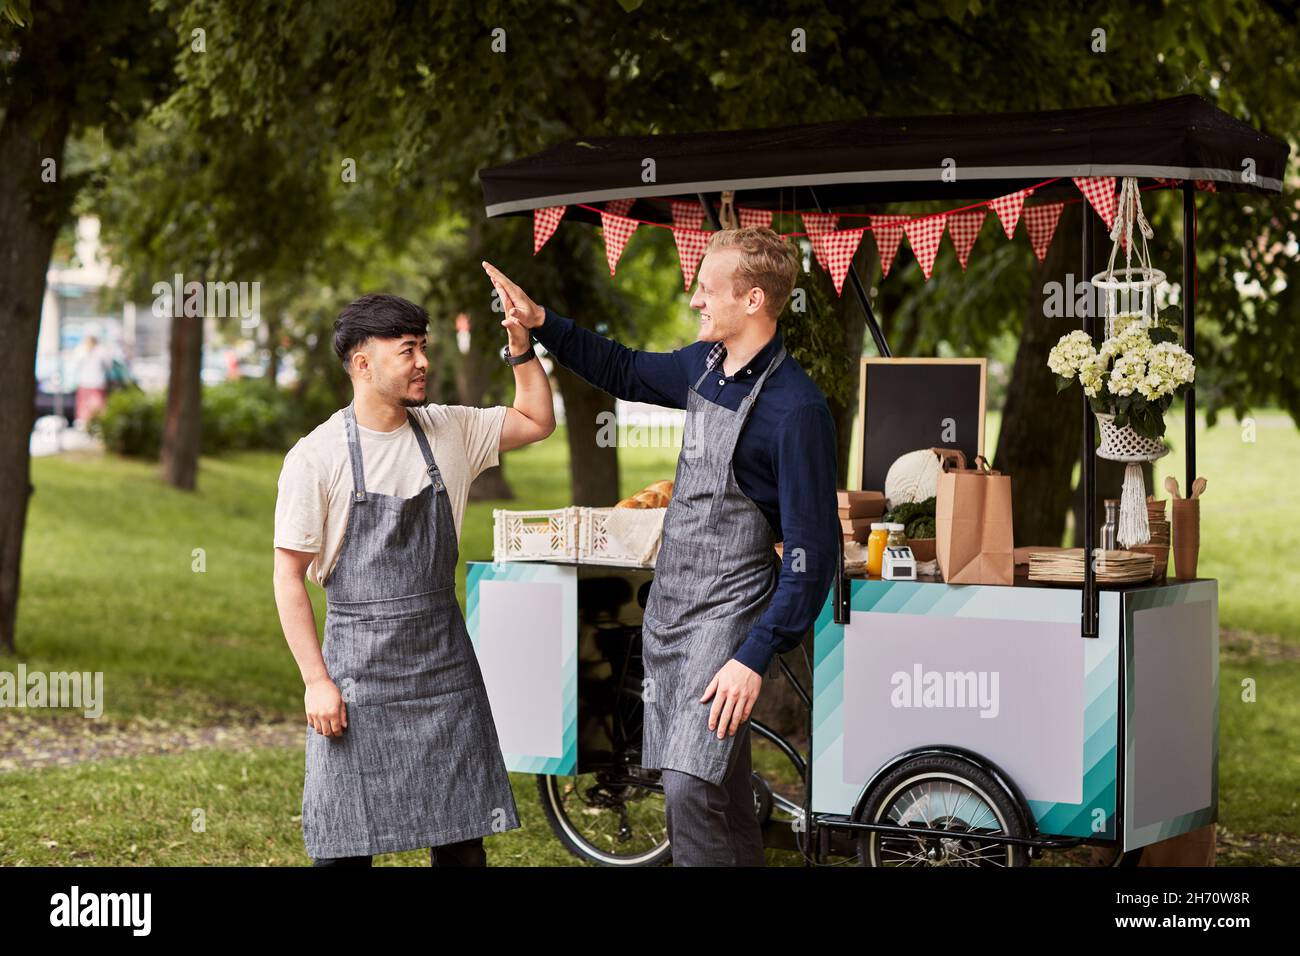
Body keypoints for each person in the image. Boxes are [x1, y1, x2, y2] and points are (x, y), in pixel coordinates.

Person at [482, 226, 840, 866]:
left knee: (689, 786)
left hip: (728, 623)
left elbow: (815, 557)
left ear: (753, 300)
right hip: (670, 610)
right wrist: (540, 323)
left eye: (708, 289)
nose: (696, 299)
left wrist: (753, 655)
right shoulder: (706, 366)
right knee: (719, 790)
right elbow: (622, 368)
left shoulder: (796, 410)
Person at [272, 292, 555, 866]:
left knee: (462, 841)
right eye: (408, 350)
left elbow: (536, 420)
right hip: (358, 679)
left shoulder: (449, 430)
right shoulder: (316, 457)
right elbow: (287, 577)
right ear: (362, 363)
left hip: (444, 670)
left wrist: (521, 350)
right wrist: (315, 681)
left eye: (423, 347)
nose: (423, 361)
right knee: (344, 846)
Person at [73, 334, 110, 428]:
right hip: (85, 383)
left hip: (97, 383)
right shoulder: (81, 350)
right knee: (85, 407)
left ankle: (97, 424)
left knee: (97, 406)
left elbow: (107, 365)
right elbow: (76, 364)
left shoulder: (101, 351)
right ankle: (85, 423)